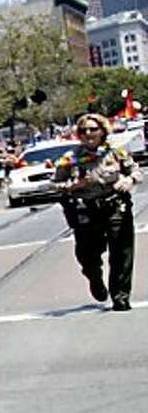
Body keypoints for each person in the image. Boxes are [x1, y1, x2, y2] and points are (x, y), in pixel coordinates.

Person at [58, 113, 137, 311]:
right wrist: (74, 185)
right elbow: (56, 183)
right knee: (86, 254)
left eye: (93, 129)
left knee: (121, 251)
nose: (89, 134)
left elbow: (135, 171)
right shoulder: (70, 159)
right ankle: (94, 277)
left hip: (115, 206)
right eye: (84, 130)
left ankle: (120, 296)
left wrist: (128, 181)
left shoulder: (117, 153)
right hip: (86, 210)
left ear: (102, 131)